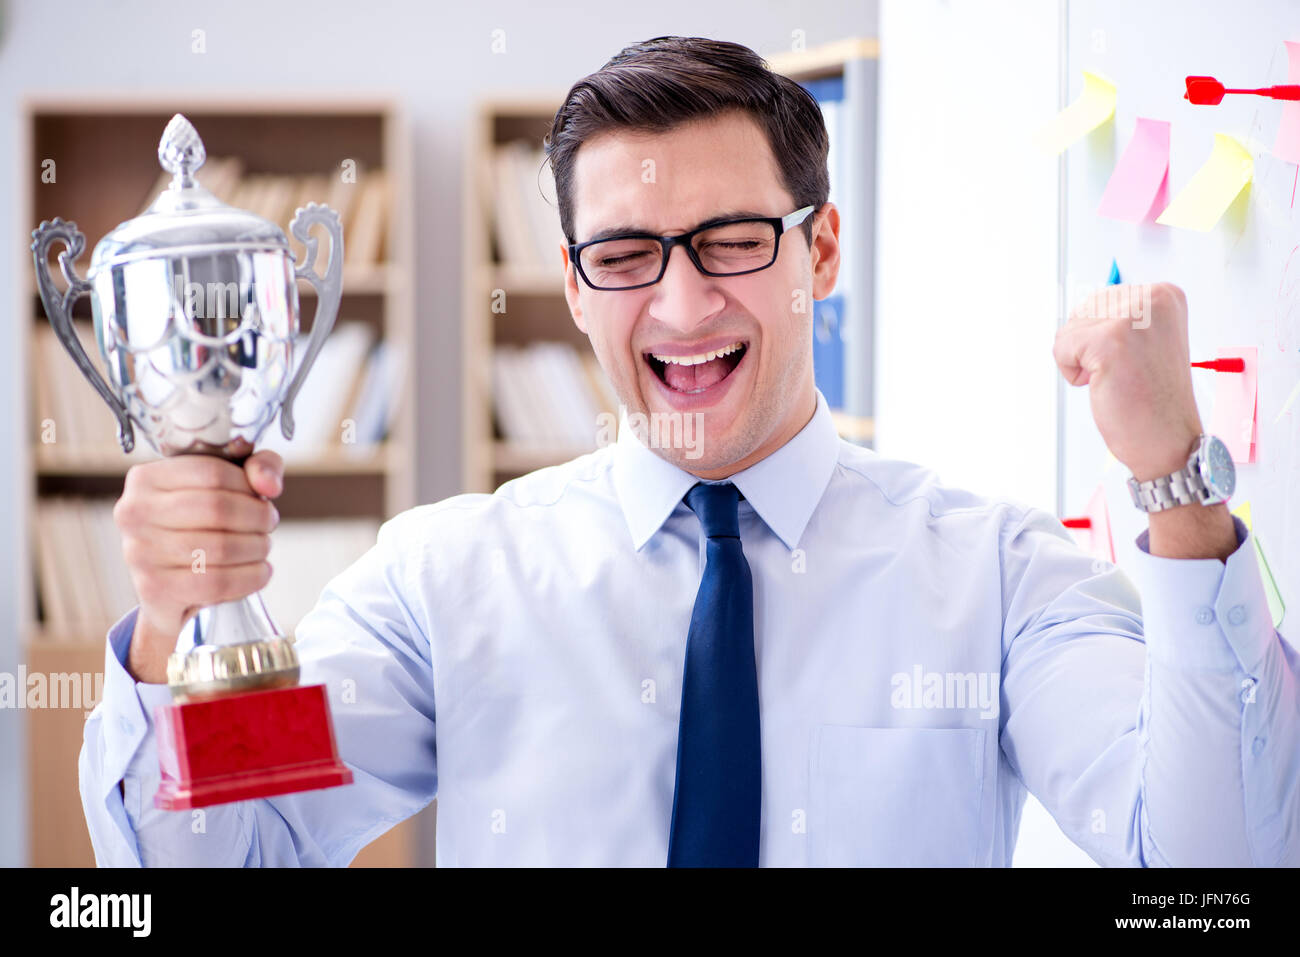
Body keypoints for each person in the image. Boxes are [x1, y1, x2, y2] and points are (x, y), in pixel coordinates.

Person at [81, 35, 1298, 867]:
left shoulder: (996, 573)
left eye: (728, 240)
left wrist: (1175, 486)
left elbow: (1213, 861)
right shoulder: (440, 584)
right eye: (624, 255)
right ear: (569, 281)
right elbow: (216, 858)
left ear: (819, 253)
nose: (678, 306)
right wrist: (162, 632)